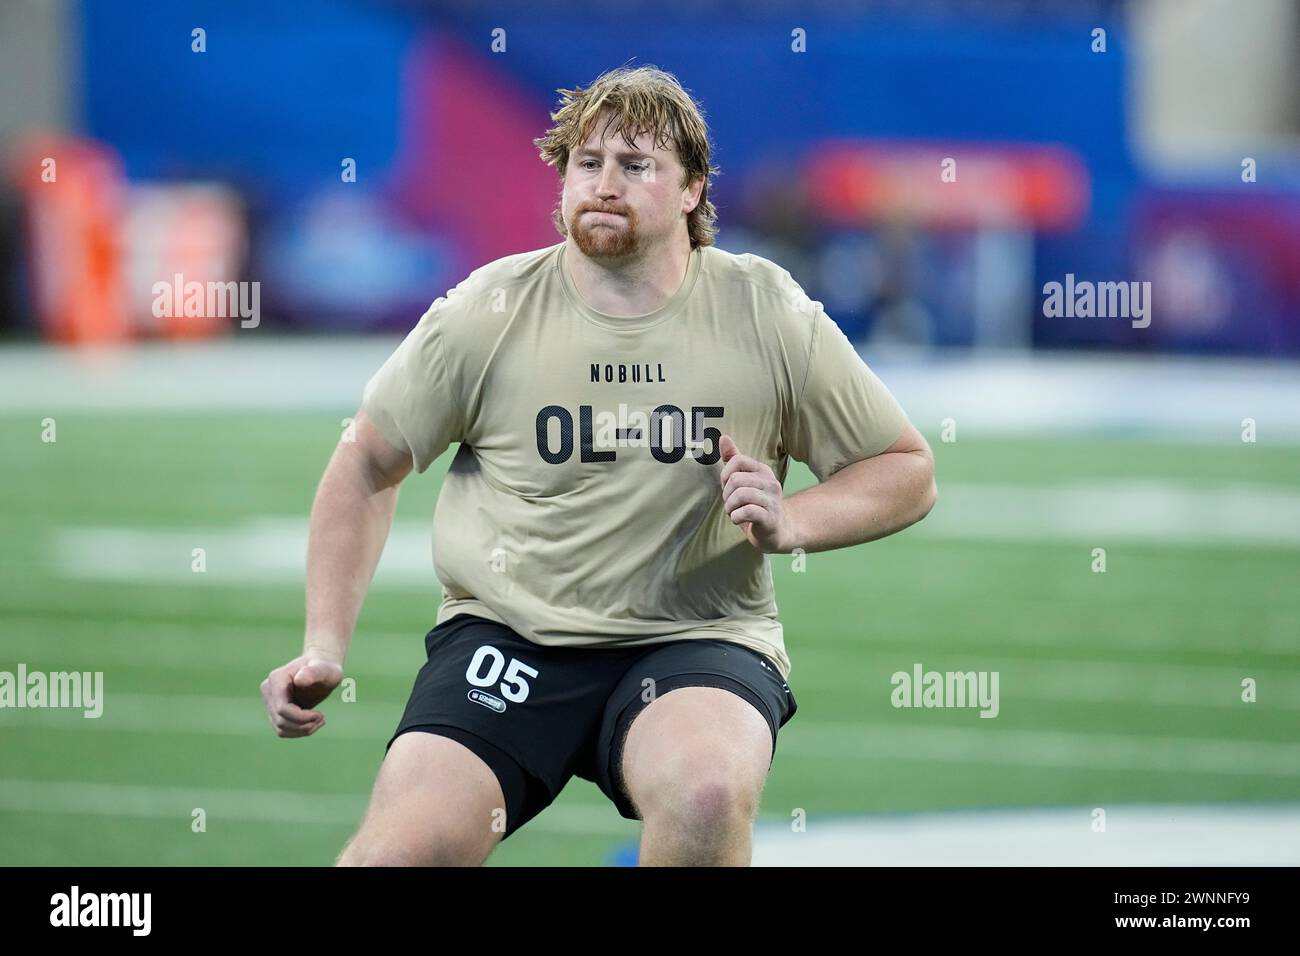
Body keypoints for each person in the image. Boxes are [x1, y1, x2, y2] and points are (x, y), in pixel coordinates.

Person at [260, 65, 937, 866]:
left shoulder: (764, 309)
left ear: (691, 189)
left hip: (695, 637)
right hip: (509, 636)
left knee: (706, 798)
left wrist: (796, 521)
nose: (604, 184)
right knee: (393, 858)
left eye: (636, 164)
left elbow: (906, 468)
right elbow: (367, 461)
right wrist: (324, 645)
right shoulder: (489, 309)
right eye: (588, 163)